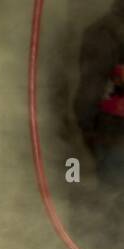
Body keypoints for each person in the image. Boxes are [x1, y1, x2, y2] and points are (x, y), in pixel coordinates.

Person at [74, 0, 124, 191]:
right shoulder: (105, 32)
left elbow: (88, 97)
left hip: (115, 139)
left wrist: (88, 132)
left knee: (112, 208)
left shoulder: (104, 32)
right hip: (115, 139)